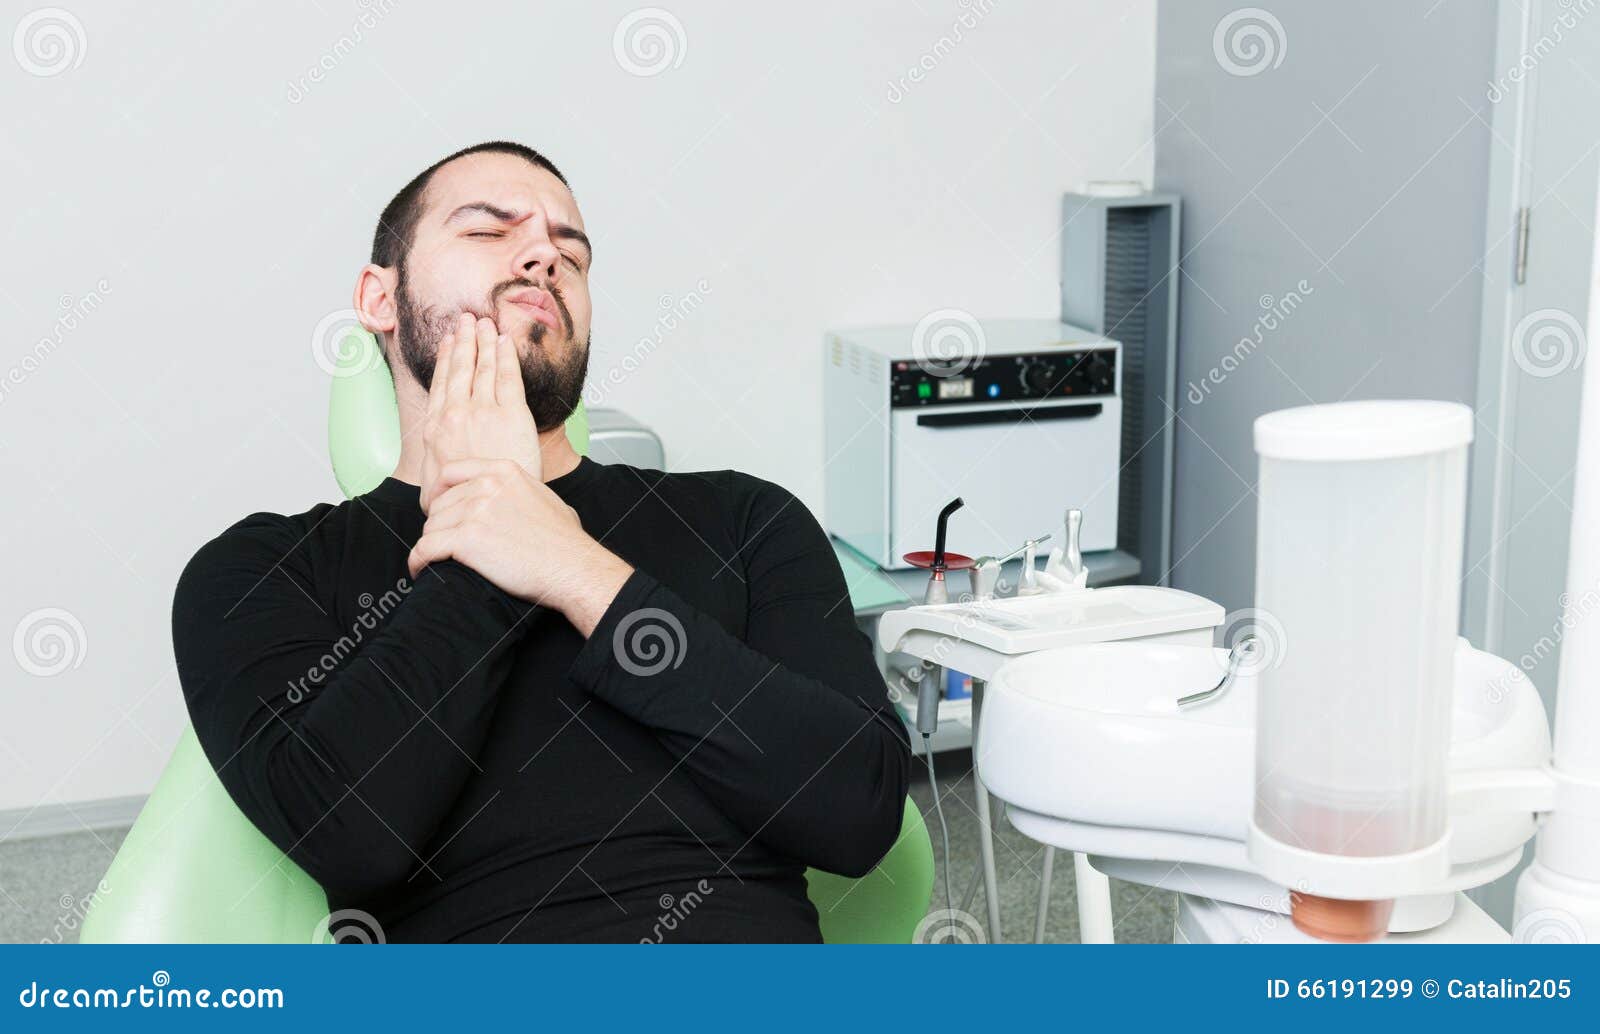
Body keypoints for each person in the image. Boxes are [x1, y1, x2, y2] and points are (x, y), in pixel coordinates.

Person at [172, 141, 912, 942]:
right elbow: (349, 837)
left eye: (572, 253)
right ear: (379, 298)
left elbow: (858, 812)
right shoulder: (262, 570)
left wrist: (576, 570)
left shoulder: (744, 519)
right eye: (489, 233)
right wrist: (486, 545)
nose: (544, 256)